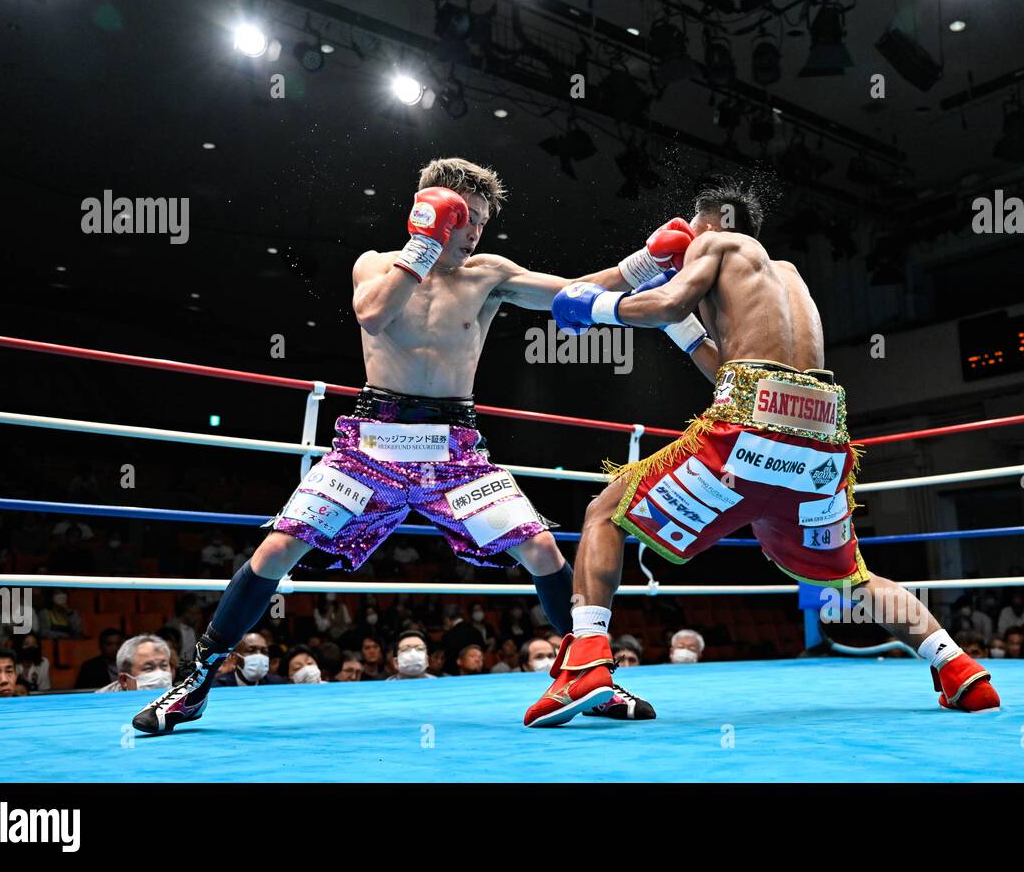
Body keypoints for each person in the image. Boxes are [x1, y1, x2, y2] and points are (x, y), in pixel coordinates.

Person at [135, 156, 651, 733]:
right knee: (276, 551)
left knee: (543, 552)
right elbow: (374, 316)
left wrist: (648, 263)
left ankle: (588, 675)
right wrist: (422, 247)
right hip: (371, 442)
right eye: (465, 218)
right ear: (430, 211)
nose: (475, 232)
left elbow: (574, 294)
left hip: (454, 449)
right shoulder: (375, 266)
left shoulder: (487, 274)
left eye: (482, 221)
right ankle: (196, 683)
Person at [524, 182, 999, 726]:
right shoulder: (789, 275)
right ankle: (959, 668)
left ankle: (586, 658)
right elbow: (724, 367)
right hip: (819, 441)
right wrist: (682, 327)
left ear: (705, 224)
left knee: (604, 514)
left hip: (750, 430)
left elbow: (668, 303)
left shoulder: (714, 244)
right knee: (849, 577)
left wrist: (599, 307)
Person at [97, 635, 175, 692]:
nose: (160, 674)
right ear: (124, 680)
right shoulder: (99, 703)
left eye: (163, 666)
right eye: (149, 668)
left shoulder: (183, 700)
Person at [213, 633, 284, 687]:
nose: (259, 655)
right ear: (235, 658)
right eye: (251, 651)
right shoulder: (218, 686)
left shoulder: (276, 684)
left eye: (264, 651)